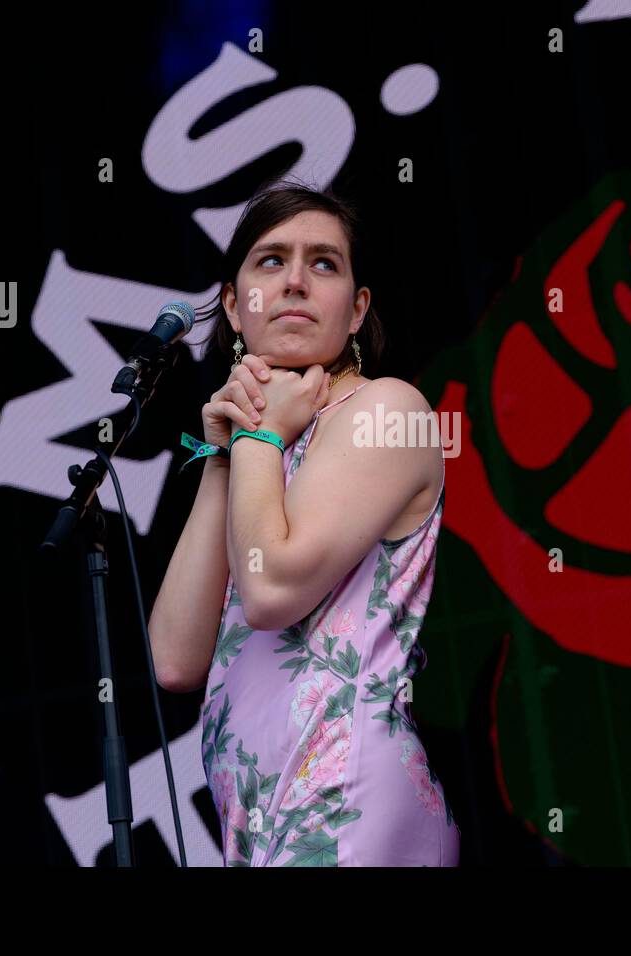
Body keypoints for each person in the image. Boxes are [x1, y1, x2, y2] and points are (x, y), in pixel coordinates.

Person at [149, 178, 459, 866]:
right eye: (270, 261)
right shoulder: (266, 446)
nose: (294, 281)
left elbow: (270, 591)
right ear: (234, 306)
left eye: (323, 264)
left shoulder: (386, 410)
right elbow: (174, 659)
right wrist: (226, 455)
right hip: (259, 821)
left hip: (348, 799)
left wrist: (258, 441)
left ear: (356, 310)